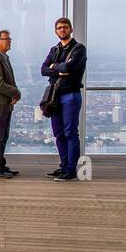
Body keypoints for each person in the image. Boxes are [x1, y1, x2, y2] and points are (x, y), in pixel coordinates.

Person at [40, 17, 86, 181]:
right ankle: (64, 166)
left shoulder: (78, 49)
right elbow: (43, 69)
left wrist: (54, 66)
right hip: (55, 96)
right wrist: (57, 69)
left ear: (71, 29)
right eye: (59, 28)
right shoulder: (55, 50)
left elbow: (69, 67)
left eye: (65, 27)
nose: (62, 30)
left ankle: (71, 170)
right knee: (59, 133)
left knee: (70, 133)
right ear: (55, 31)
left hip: (70, 95)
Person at [0, 30, 21, 178]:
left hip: (4, 104)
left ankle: (0, 165)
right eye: (6, 39)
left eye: (9, 38)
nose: (9, 41)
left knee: (2, 136)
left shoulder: (4, 58)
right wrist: (15, 92)